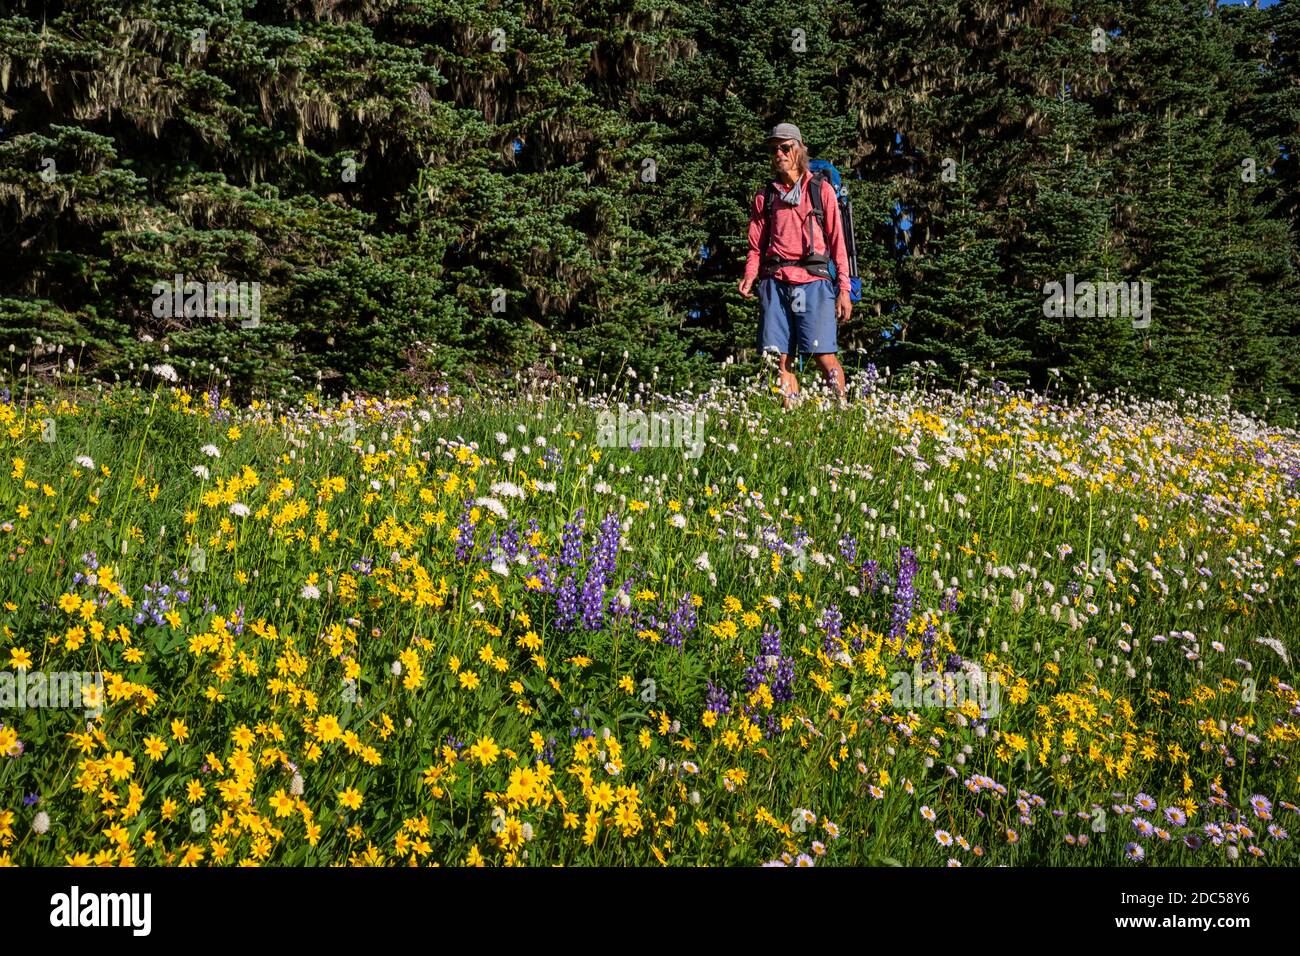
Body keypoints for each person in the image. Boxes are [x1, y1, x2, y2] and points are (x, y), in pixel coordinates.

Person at [738, 122, 852, 405]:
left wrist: (845, 290)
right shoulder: (766, 197)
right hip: (775, 282)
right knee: (780, 358)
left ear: (799, 150)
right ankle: (792, 418)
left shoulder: (821, 190)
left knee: (822, 354)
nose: (779, 153)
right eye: (774, 148)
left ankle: (843, 413)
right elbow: (756, 246)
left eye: (785, 147)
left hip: (813, 281)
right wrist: (750, 275)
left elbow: (839, 244)